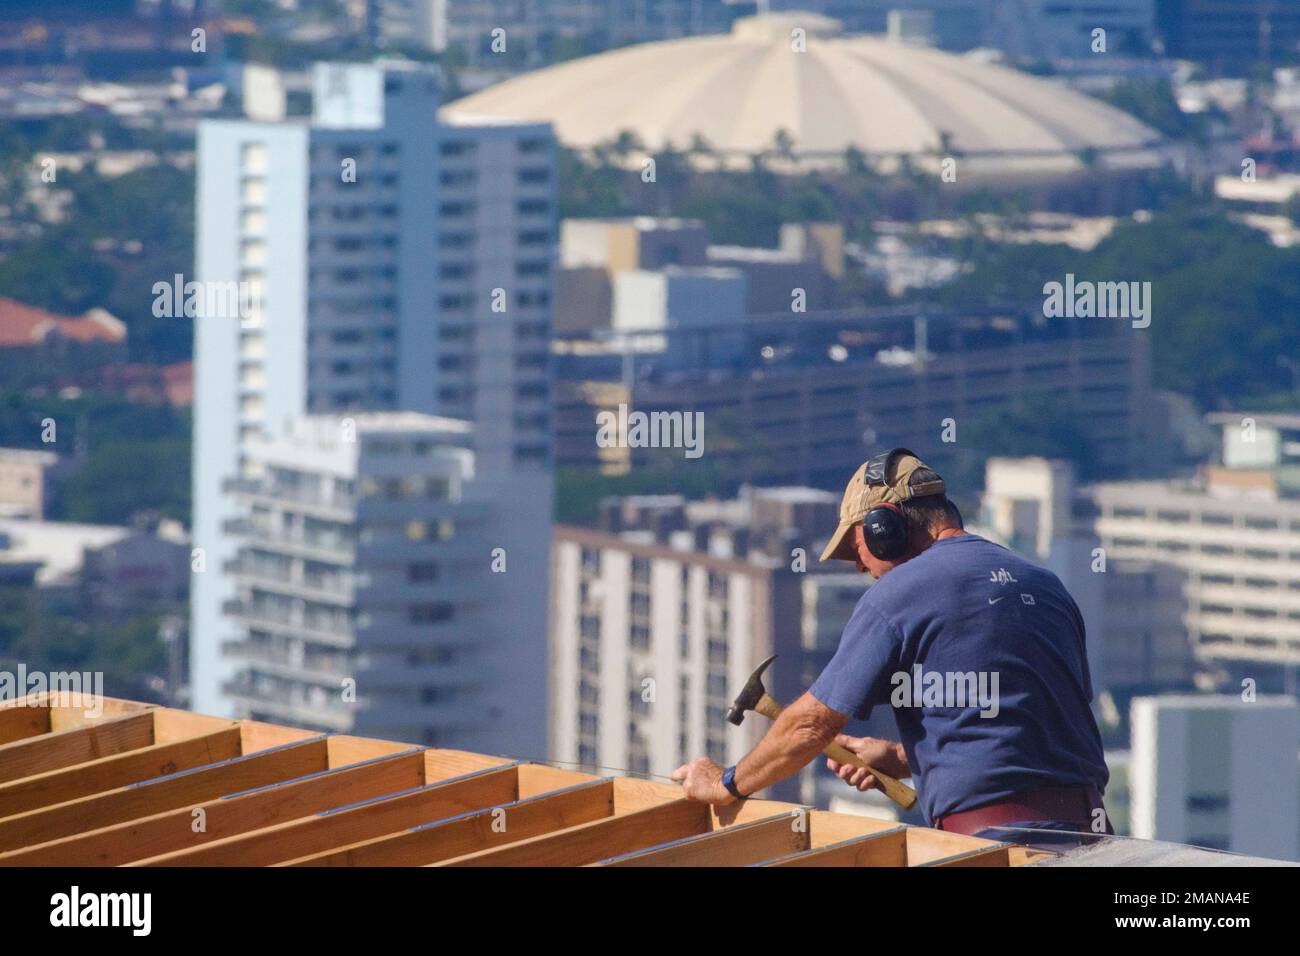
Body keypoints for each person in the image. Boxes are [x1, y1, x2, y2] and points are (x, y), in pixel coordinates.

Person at [671, 448, 1111, 844]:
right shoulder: (1046, 584)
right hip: (1095, 837)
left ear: (886, 527)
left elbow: (811, 726)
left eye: (857, 545)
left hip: (996, 843)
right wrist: (904, 758)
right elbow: (1029, 715)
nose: (860, 565)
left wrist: (727, 782)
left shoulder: (899, 591)